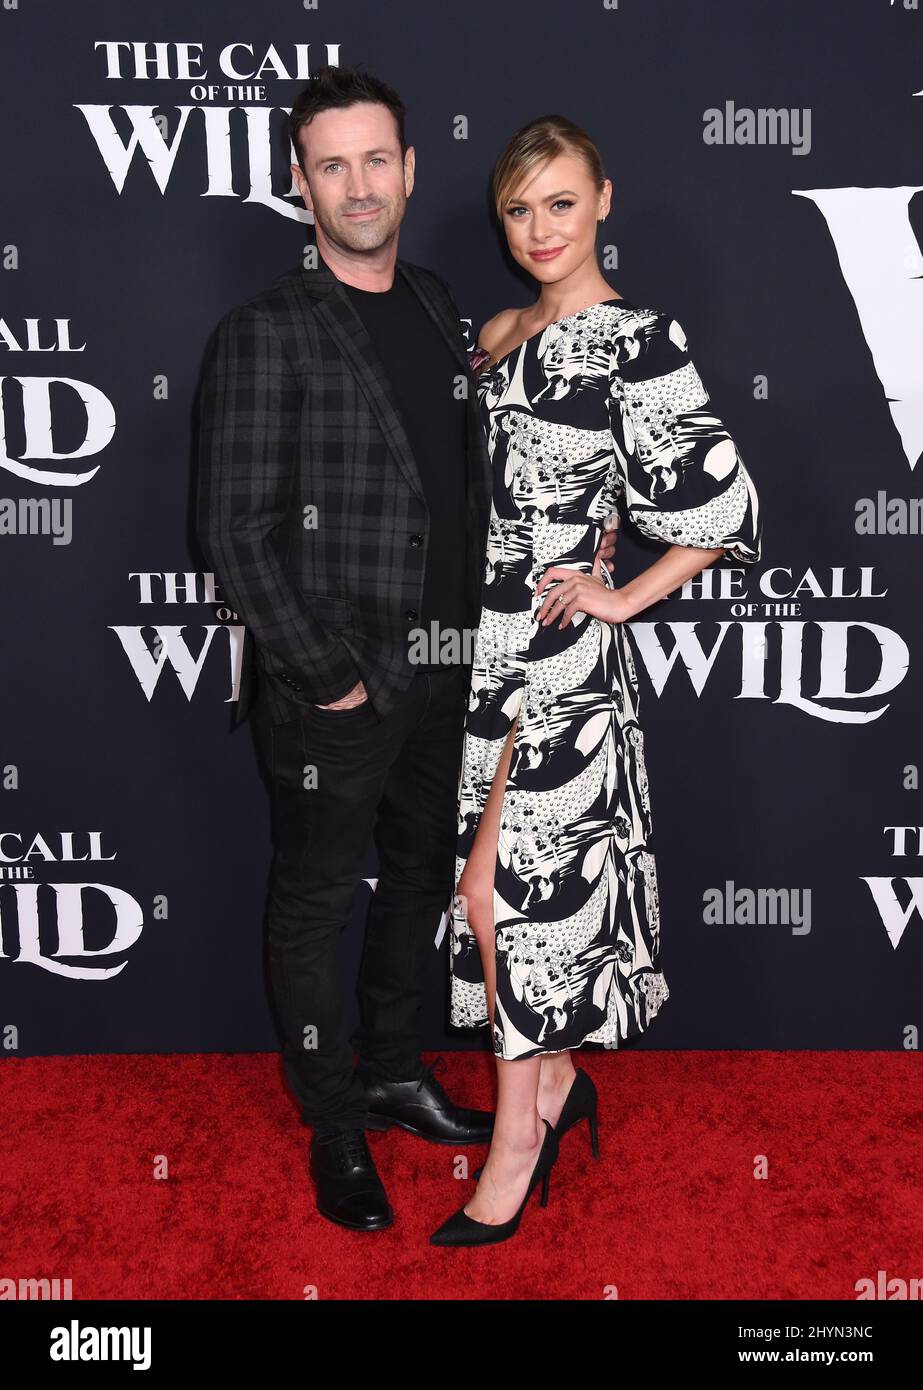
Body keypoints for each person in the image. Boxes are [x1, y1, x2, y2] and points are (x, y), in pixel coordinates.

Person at [195, 69, 618, 1234]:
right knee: (318, 902)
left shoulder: (438, 304)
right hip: (335, 688)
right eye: (330, 165)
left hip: (456, 672)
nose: (358, 184)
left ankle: (391, 1065)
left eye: (376, 159)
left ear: (410, 169)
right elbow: (228, 529)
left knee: (422, 887)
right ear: (300, 183)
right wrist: (322, 671)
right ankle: (334, 1121)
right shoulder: (264, 330)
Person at [431, 115, 762, 1246]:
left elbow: (719, 509)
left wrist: (621, 591)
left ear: (602, 202)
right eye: (518, 208)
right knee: (498, 892)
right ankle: (557, 1087)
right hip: (484, 645)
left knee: (501, 896)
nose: (538, 228)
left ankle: (517, 1139)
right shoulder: (496, 332)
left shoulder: (639, 339)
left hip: (561, 651)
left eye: (559, 203)